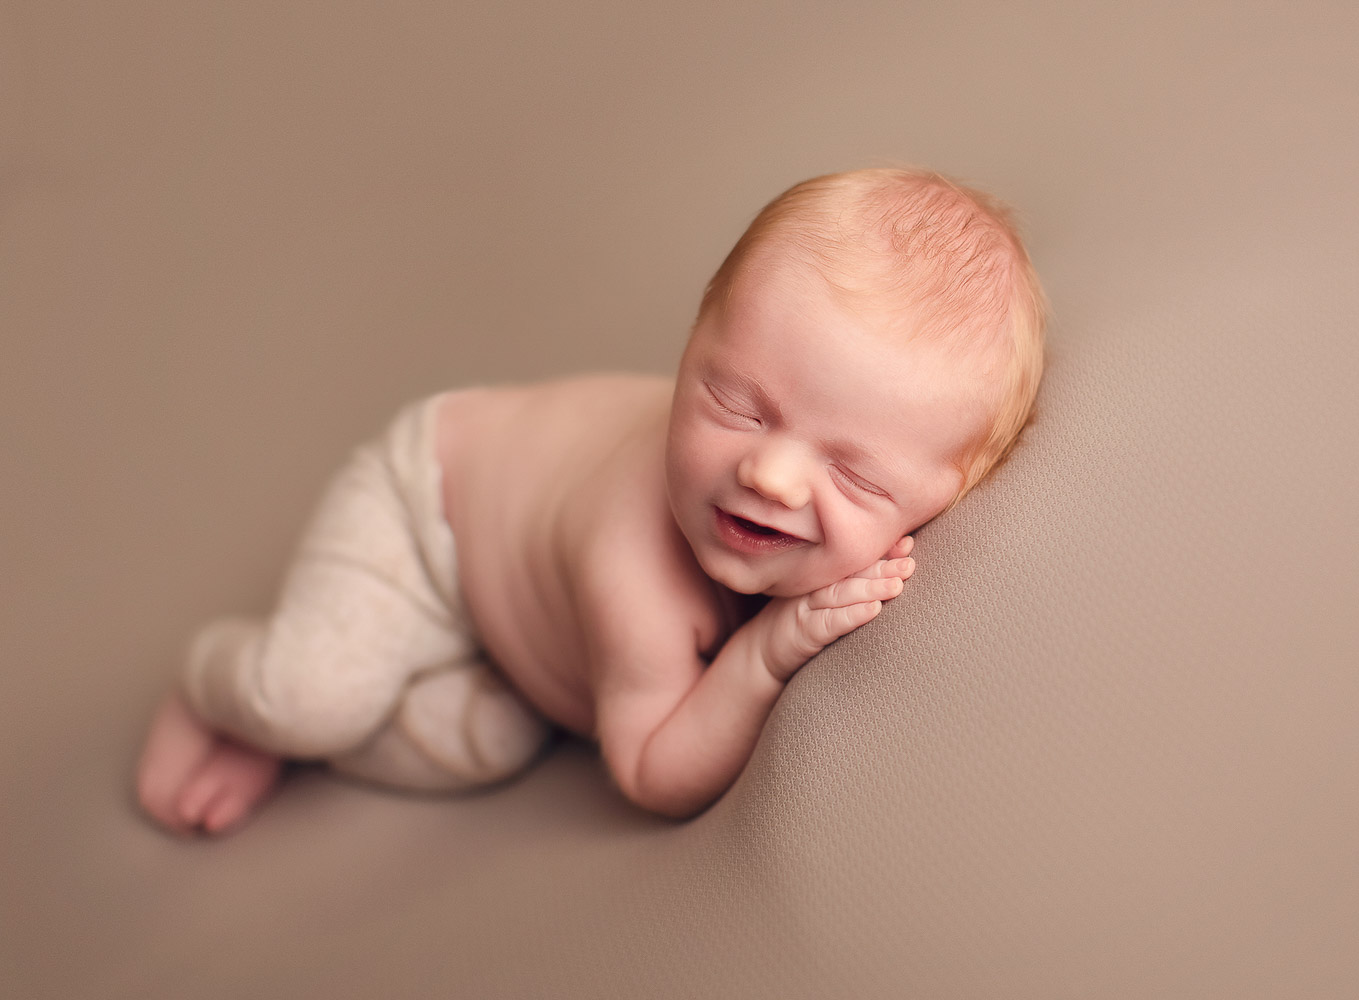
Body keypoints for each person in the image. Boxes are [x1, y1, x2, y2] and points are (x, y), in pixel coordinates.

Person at [135, 167, 1047, 833]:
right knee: (315, 693)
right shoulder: (634, 564)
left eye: (853, 476)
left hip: (527, 625)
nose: (770, 476)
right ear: (693, 340)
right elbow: (651, 773)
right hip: (429, 512)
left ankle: (311, 724)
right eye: (735, 403)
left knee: (484, 742)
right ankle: (226, 685)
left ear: (939, 498)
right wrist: (766, 654)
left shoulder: (875, 481)